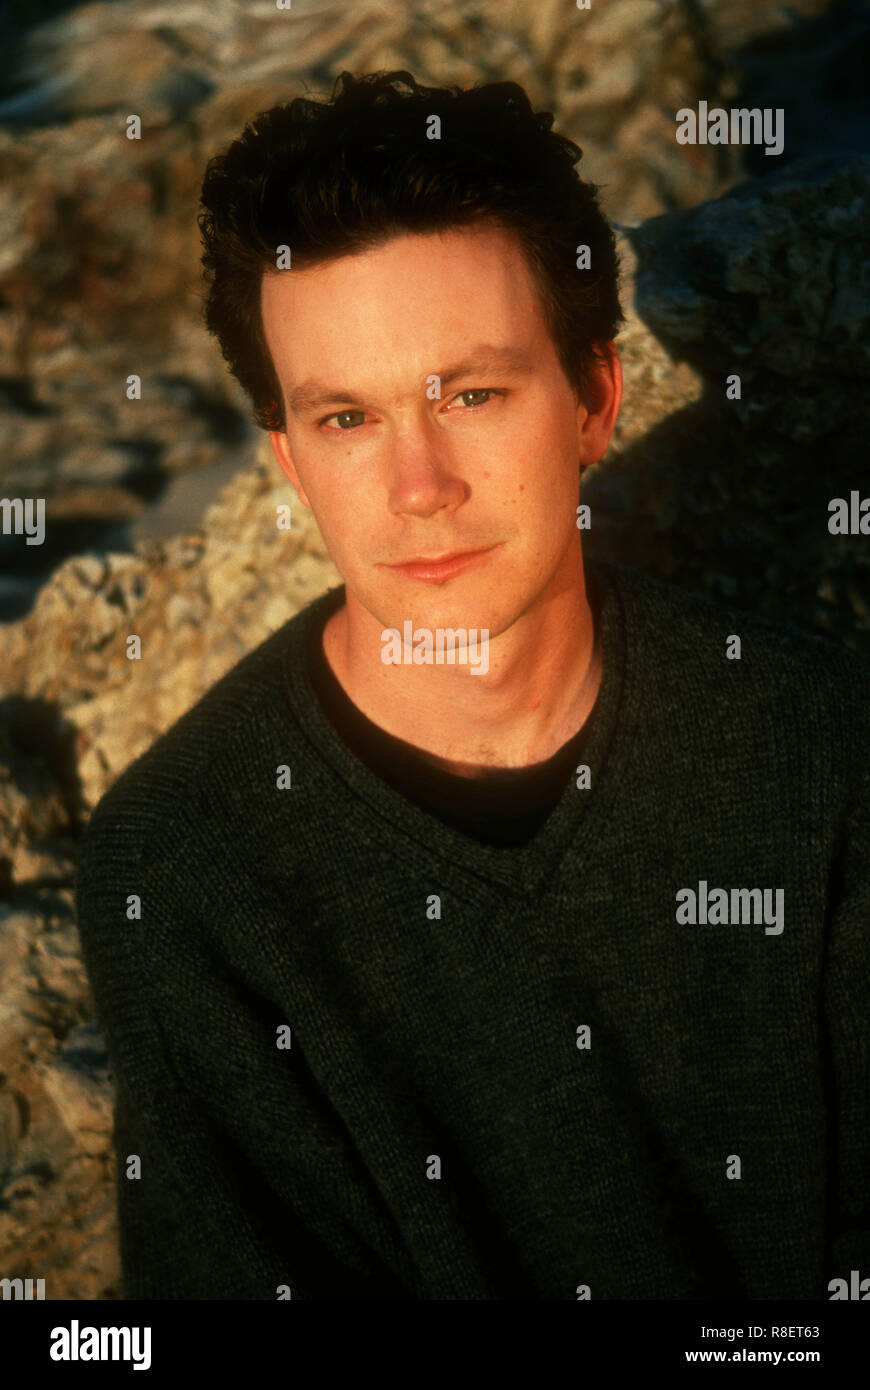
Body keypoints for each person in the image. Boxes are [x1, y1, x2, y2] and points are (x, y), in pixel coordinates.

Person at [75, 69, 869, 1301]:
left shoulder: (825, 753)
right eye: (348, 421)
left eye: (474, 395)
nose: (418, 486)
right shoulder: (183, 864)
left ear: (595, 399)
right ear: (289, 459)